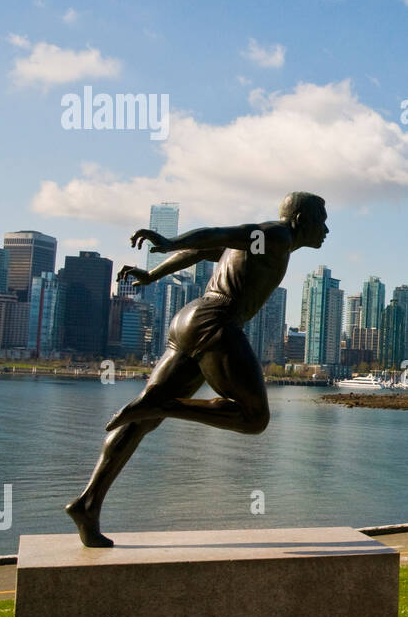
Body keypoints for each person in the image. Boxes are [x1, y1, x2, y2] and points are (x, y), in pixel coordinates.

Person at [64, 192, 329, 547]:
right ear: (300, 220)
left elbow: (203, 252)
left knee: (138, 421)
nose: (326, 229)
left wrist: (151, 274)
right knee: (254, 418)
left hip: (190, 319)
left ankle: (88, 503)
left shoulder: (263, 246)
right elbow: (218, 235)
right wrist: (169, 241)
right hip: (216, 323)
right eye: (321, 220)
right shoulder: (276, 236)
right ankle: (163, 406)